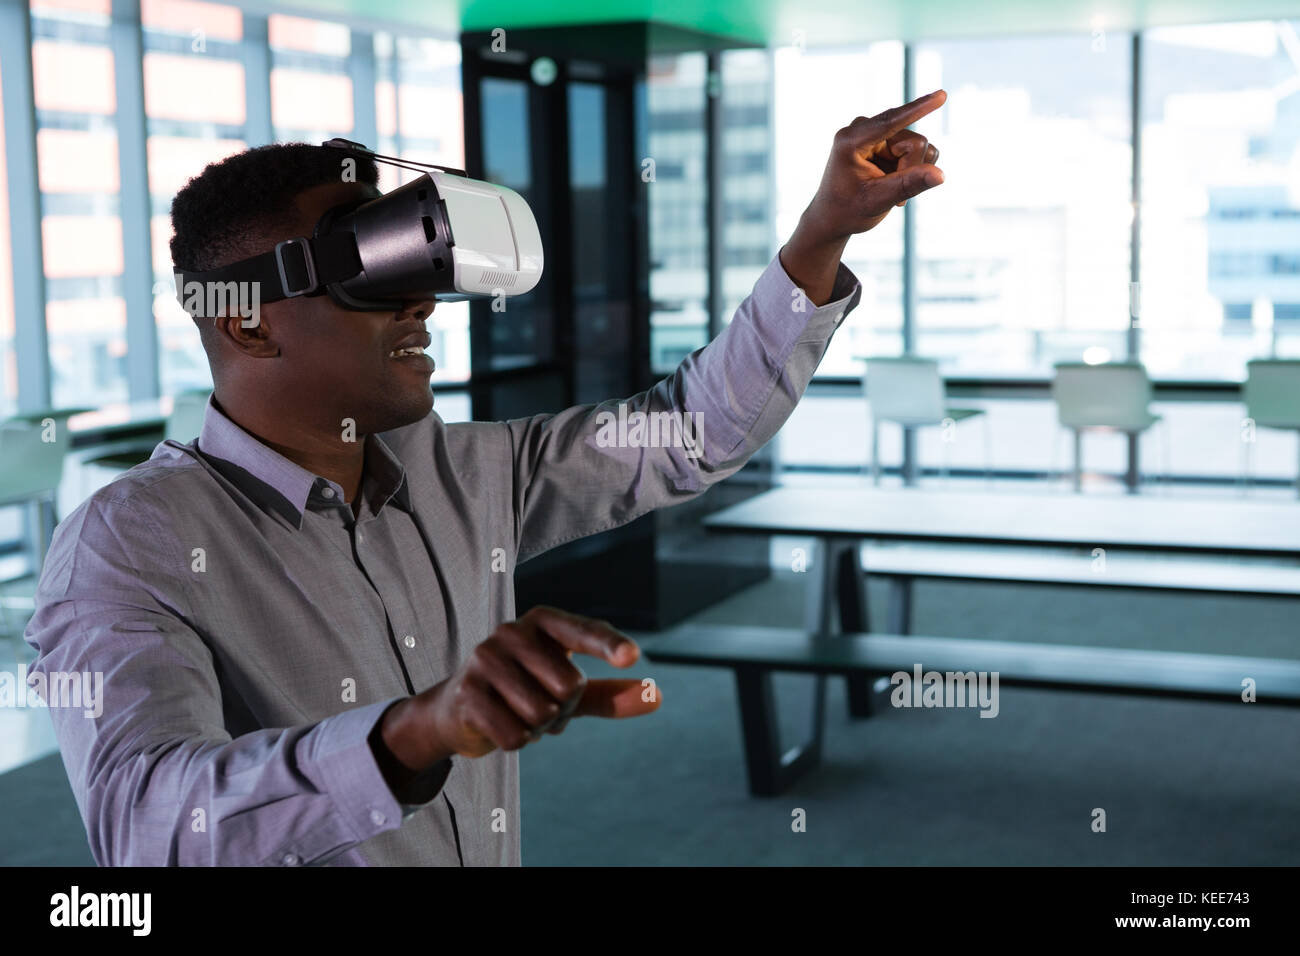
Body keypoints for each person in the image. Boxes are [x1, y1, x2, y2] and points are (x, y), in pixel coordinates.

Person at [25, 91, 947, 866]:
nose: (421, 298)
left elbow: (690, 433)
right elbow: (146, 822)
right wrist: (415, 733)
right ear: (250, 325)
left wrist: (821, 234)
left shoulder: (457, 470)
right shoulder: (130, 539)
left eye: (411, 259)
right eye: (367, 269)